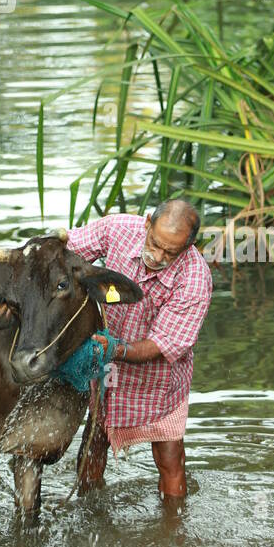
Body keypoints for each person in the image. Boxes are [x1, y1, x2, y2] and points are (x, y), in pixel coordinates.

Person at [61, 198, 212, 501]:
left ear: (188, 248)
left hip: (158, 384)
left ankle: (172, 531)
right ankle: (89, 510)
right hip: (105, 373)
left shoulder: (195, 279)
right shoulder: (117, 229)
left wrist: (114, 349)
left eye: (170, 252)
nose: (157, 256)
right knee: (94, 442)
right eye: (154, 243)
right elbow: (66, 249)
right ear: (146, 224)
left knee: (169, 458)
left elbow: (159, 345)